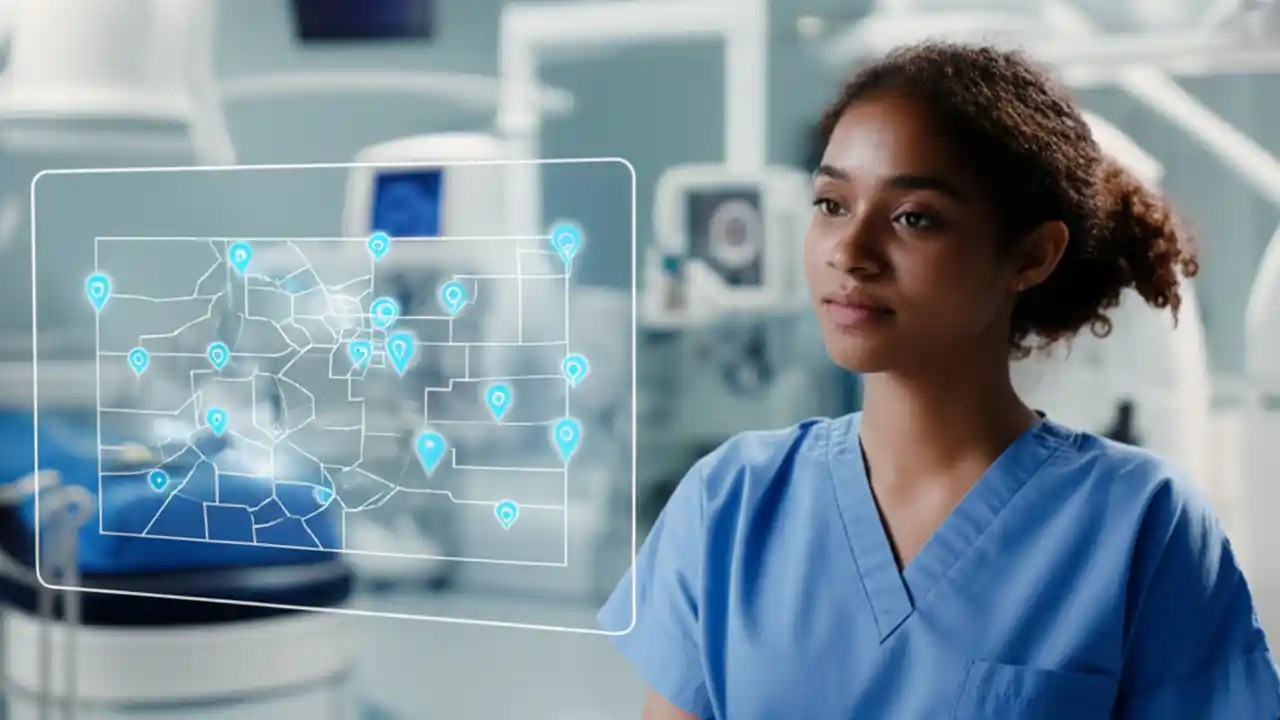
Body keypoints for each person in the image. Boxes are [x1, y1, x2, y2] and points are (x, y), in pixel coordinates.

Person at [597, 42, 1280, 719]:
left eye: (913, 217)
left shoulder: (1140, 525)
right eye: (832, 203)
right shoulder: (732, 505)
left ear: (1032, 255)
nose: (850, 252)